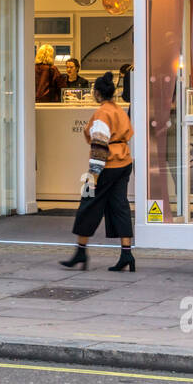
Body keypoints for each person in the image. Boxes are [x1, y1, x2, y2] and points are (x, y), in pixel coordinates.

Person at [59, 71, 136, 272]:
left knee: (88, 204)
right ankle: (126, 253)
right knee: (120, 207)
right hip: (124, 161)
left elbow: (100, 145)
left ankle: (81, 251)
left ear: (98, 93)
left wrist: (92, 175)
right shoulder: (118, 110)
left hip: (106, 165)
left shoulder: (102, 113)